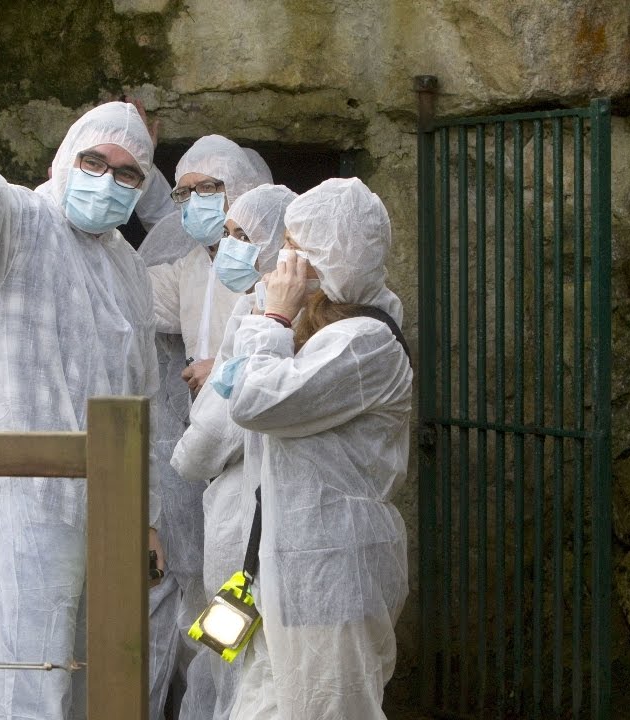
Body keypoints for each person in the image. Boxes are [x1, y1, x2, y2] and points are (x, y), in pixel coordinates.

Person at [0, 23, 165, 720]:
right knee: (26, 666)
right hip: (26, 497)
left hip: (110, 499)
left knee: (100, 664)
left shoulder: (127, 269)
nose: (109, 181)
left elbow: (142, 397)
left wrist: (147, 516)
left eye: (128, 173)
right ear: (65, 157)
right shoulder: (18, 224)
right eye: (96, 162)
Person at [224, 178, 412, 720]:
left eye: (295, 245)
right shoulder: (330, 328)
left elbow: (256, 402)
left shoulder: (364, 342)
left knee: (330, 711)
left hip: (331, 575)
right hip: (284, 571)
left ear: (329, 256)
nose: (284, 260)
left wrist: (275, 317)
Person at [142, 136, 270, 720]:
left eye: (207, 189)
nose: (193, 201)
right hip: (215, 464)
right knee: (216, 603)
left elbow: (292, 345)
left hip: (258, 457)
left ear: (241, 193)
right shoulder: (189, 267)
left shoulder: (275, 267)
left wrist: (225, 370)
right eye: (183, 192)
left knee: (256, 604)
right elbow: (128, 297)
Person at [170, 184, 297, 720]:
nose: (230, 248)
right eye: (227, 234)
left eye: (245, 236)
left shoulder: (272, 325)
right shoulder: (251, 310)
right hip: (239, 529)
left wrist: (186, 454)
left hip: (253, 527)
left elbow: (215, 431)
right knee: (237, 675)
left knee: (256, 684)